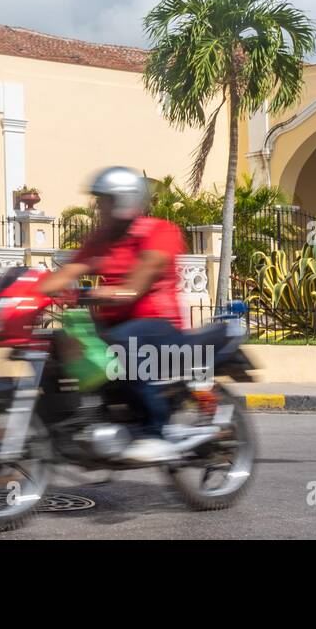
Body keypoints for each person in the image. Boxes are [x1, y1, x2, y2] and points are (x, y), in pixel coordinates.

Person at [39, 166, 187, 463]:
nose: (97, 207)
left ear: (124, 200)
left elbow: (134, 288)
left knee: (121, 343)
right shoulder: (101, 240)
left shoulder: (159, 232)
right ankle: (51, 432)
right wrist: (32, 291)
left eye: (103, 200)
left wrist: (83, 294)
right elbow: (69, 271)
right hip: (114, 325)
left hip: (159, 324)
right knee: (55, 345)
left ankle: (155, 432)